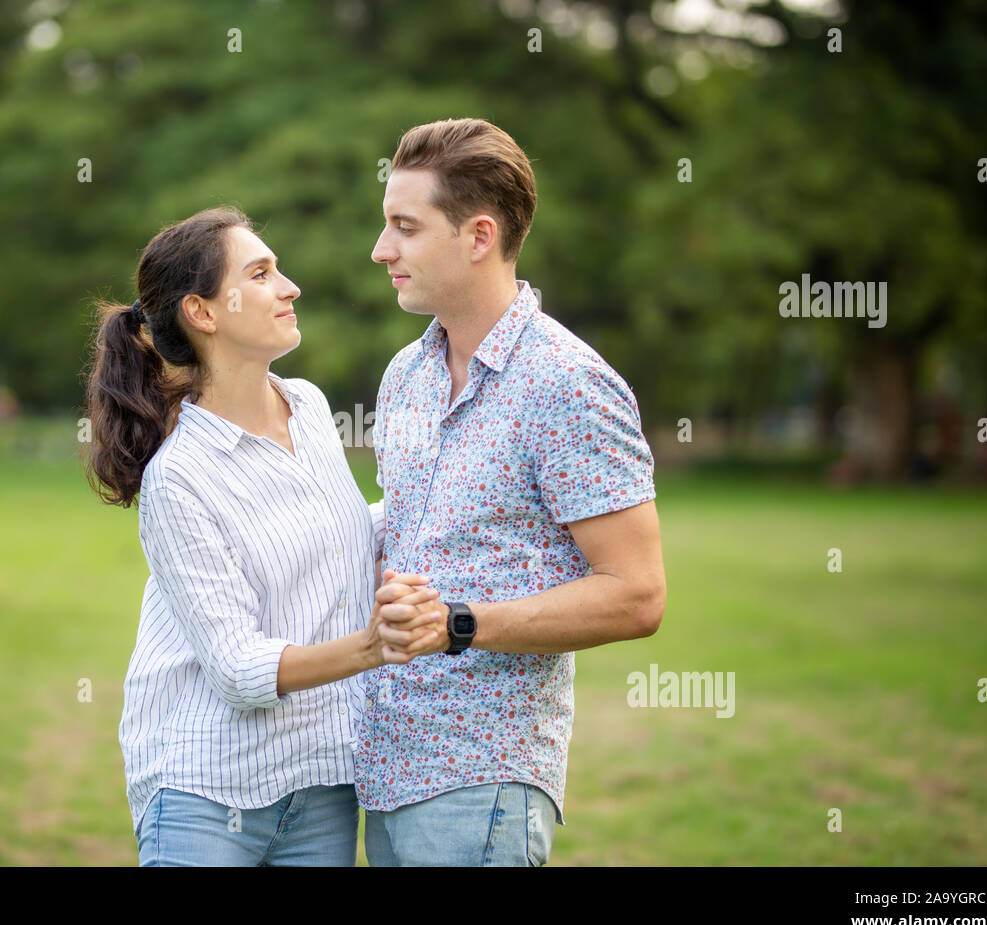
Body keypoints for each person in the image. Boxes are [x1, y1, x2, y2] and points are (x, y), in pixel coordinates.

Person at [84, 206, 447, 866]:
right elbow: (237, 668)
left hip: (325, 780)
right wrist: (371, 648)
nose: (290, 287)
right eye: (261, 272)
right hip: (206, 791)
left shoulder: (306, 406)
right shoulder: (181, 477)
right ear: (203, 312)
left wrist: (444, 495)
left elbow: (341, 538)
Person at [357, 118, 668, 866]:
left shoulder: (568, 383)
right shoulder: (407, 374)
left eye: (404, 227)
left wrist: (459, 624)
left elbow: (637, 594)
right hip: (379, 769)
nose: (381, 251)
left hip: (482, 783)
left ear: (478, 235)